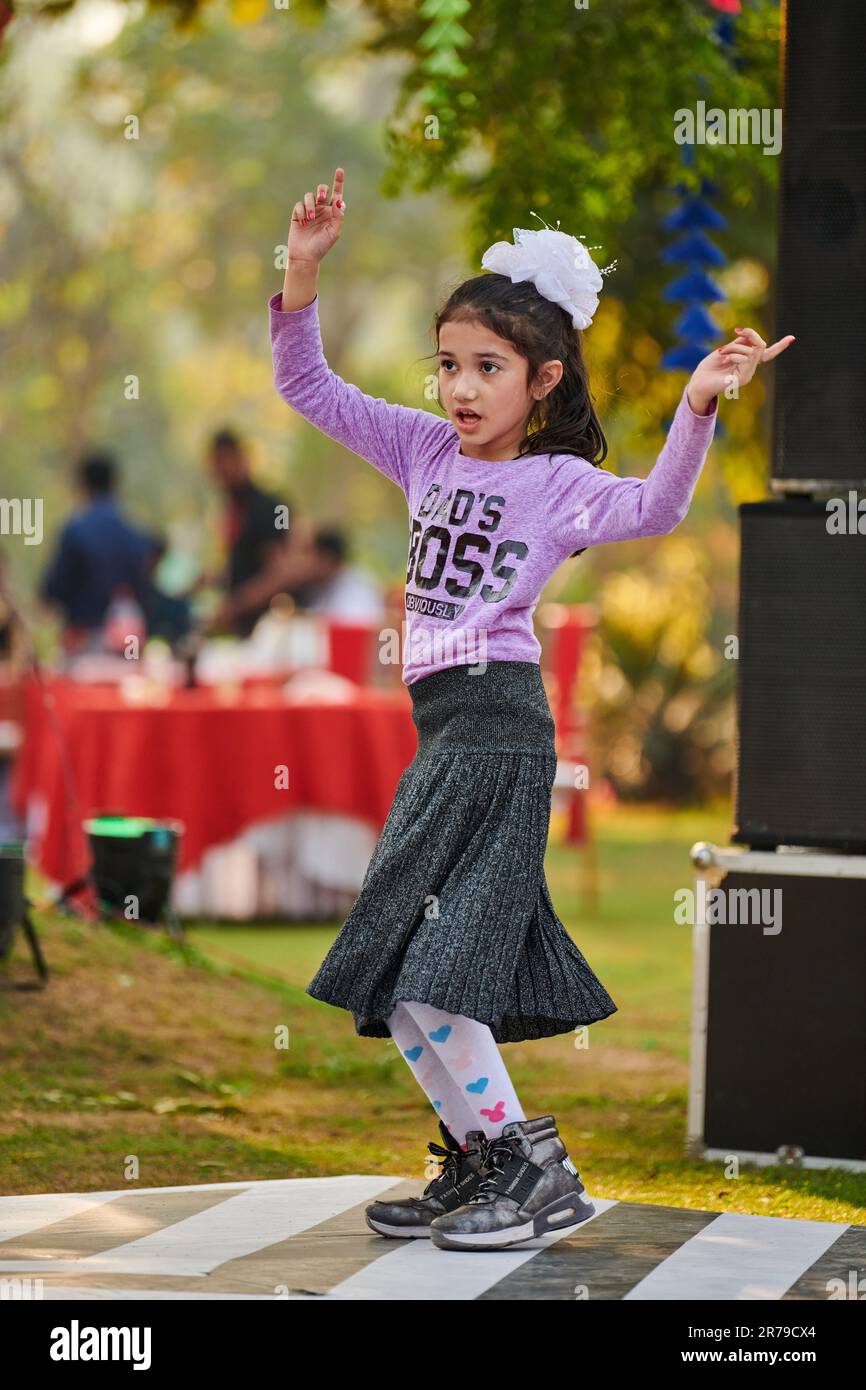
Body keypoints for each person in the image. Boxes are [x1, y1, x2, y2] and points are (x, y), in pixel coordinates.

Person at [269, 167, 794, 1251]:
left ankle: (533, 1177)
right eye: (449, 364)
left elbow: (655, 506)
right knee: (404, 981)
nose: (459, 388)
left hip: (501, 732)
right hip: (441, 738)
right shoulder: (419, 448)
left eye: (487, 369)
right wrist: (303, 272)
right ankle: (477, 1167)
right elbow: (309, 388)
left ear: (542, 381)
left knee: (442, 973)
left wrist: (696, 404)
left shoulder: (555, 484)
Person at [39, 451, 153, 659]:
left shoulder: (75, 531)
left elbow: (53, 590)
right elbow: (146, 591)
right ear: (115, 484)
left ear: (83, 485)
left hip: (85, 644)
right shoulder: (136, 535)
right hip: (128, 644)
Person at [205, 427, 294, 637]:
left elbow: (278, 574)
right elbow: (245, 566)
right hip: (242, 631)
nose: (222, 472)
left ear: (242, 459)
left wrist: (234, 607)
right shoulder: (233, 510)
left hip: (267, 631)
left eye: (226, 462)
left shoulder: (269, 508)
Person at [293, 526, 385, 623]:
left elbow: (350, 624)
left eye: (308, 553)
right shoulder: (315, 585)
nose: (304, 561)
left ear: (327, 558)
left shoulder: (358, 585)